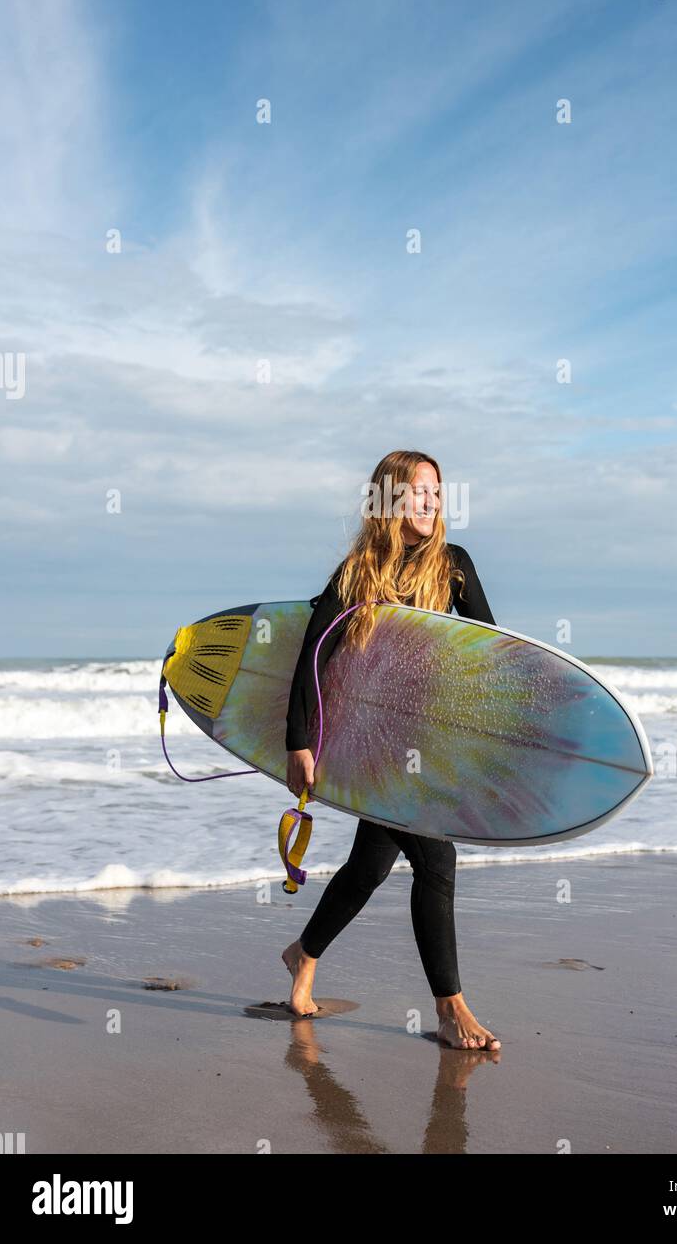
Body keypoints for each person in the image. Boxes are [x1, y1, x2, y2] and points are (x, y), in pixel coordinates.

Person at [281, 449, 501, 1051]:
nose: (430, 504)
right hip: (375, 748)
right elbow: (313, 655)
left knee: (370, 866)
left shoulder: (453, 566)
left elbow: (488, 652)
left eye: (437, 493)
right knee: (437, 861)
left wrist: (490, 740)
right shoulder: (359, 572)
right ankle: (451, 1009)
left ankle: (302, 955)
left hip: (427, 744)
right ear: (387, 501)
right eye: (417, 493)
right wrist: (299, 740)